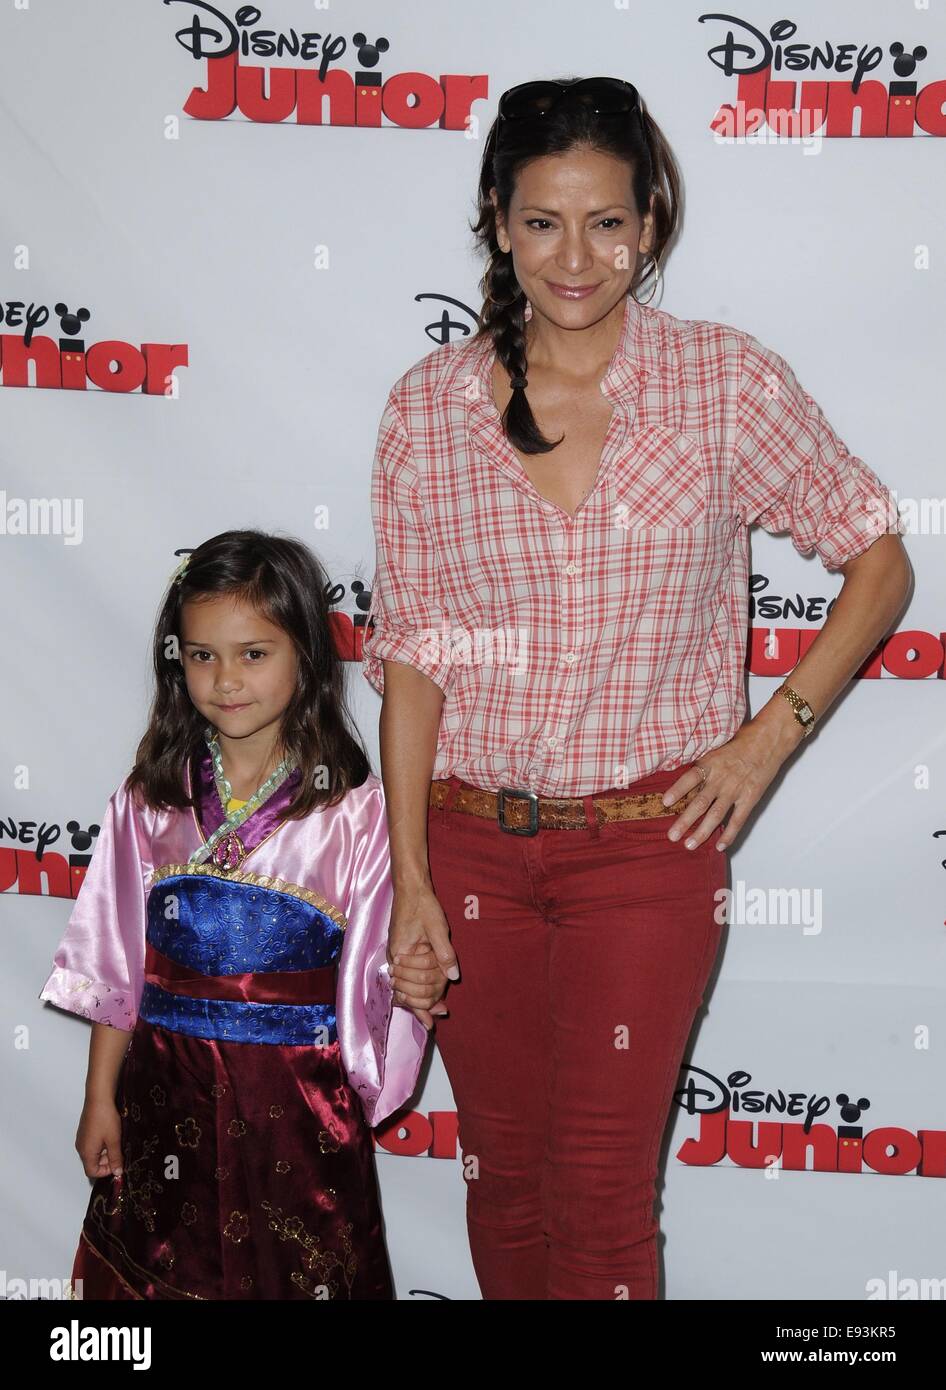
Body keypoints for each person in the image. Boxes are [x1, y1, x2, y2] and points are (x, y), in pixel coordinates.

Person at [361, 77, 912, 1300]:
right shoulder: (425, 413)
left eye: (607, 222)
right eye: (543, 221)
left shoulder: (725, 386)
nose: (577, 257)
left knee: (604, 1200)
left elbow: (879, 559)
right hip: (467, 848)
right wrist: (408, 881)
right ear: (496, 223)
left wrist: (766, 742)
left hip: (648, 848)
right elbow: (411, 664)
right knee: (504, 1180)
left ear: (650, 222)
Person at [39, 529, 435, 1301]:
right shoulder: (148, 802)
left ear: (309, 657)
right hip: (161, 1101)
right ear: (175, 660)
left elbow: (376, 987)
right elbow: (114, 970)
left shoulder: (358, 813)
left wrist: (412, 981)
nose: (226, 680)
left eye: (254, 654)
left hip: (297, 1117)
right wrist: (98, 1098)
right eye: (201, 656)